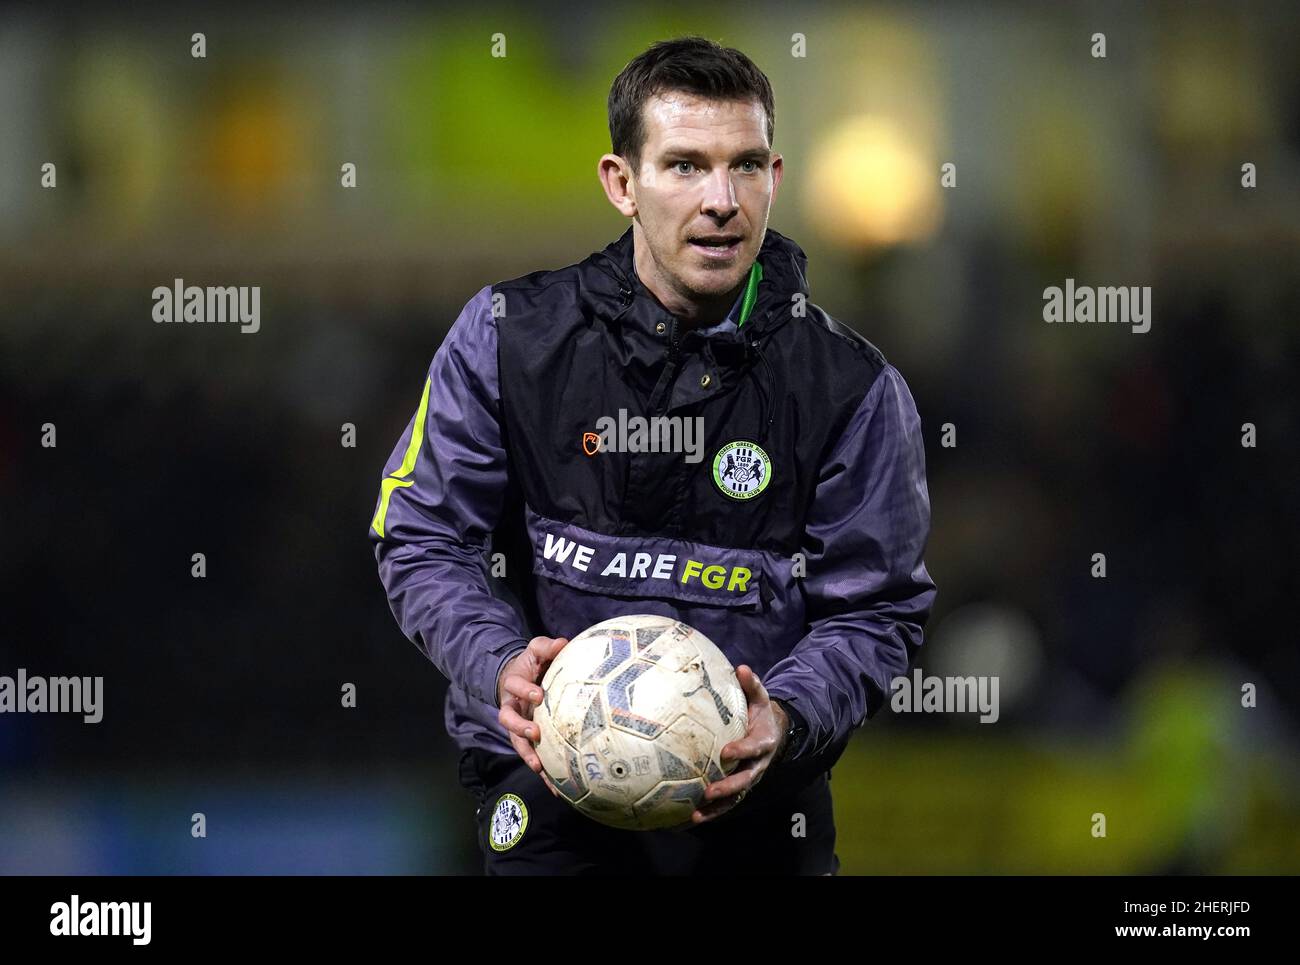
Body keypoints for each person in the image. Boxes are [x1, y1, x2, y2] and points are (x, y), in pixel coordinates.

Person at [369, 36, 936, 875]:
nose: (721, 200)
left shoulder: (853, 389)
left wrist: (784, 716)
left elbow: (877, 608)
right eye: (684, 166)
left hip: (759, 804)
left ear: (776, 178)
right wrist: (497, 663)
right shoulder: (506, 339)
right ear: (621, 183)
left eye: (745, 166)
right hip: (550, 789)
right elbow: (420, 534)